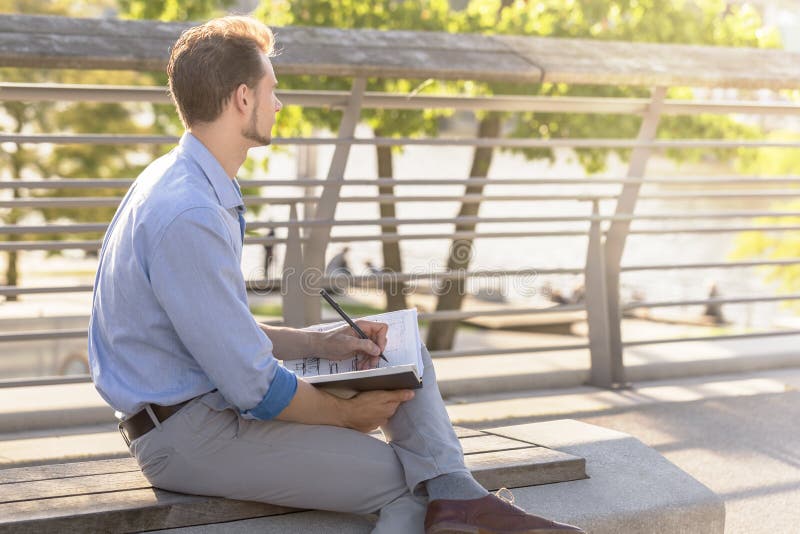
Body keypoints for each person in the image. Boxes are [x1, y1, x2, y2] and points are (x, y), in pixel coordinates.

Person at [87, 16, 583, 534]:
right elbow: (252, 385)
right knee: (410, 484)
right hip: (189, 440)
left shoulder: (180, 181)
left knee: (395, 350)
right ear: (241, 99)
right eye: (271, 91)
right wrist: (345, 415)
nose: (278, 105)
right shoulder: (189, 213)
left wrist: (322, 345)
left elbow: (219, 336)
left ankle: (459, 496)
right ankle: (455, 499)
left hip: (200, 411)